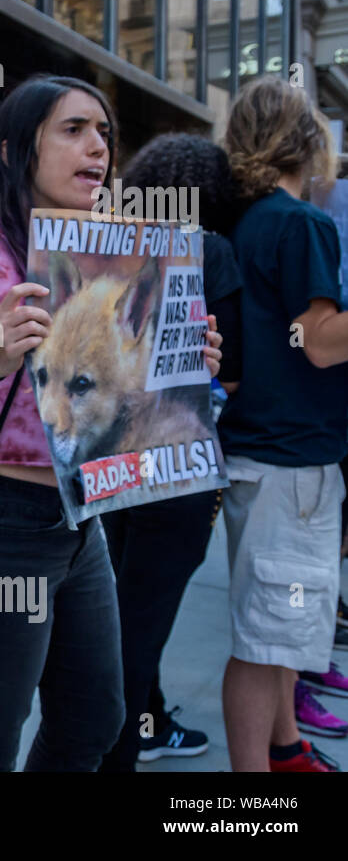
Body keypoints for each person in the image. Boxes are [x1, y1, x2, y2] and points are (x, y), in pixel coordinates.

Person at [0, 74, 224, 771]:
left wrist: (181, 357)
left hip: (86, 519)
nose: (98, 148)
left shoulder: (114, 251)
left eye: (105, 133)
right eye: (74, 129)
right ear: (19, 147)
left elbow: (121, 386)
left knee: (95, 720)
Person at [94, 134, 243, 770]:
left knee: (122, 614)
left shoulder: (110, 254)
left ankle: (145, 727)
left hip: (108, 459)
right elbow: (231, 373)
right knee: (139, 630)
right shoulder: (214, 253)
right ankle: (120, 748)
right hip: (179, 465)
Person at [218, 75, 348, 772]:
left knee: (274, 633)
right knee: (263, 638)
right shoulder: (300, 223)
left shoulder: (254, 219)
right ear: (304, 140)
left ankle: (285, 754)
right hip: (288, 460)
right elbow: (321, 340)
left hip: (269, 455)